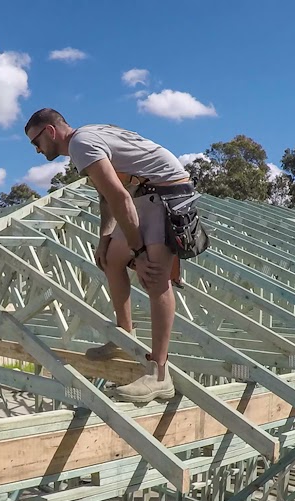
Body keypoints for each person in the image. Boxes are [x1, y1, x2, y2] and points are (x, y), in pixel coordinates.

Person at [23, 108, 191, 403]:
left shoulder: (80, 144)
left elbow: (119, 197)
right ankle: (124, 335)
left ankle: (159, 375)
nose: (36, 150)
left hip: (167, 194)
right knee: (111, 258)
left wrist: (140, 252)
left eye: (36, 142)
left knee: (155, 277)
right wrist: (104, 239)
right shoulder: (86, 139)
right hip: (145, 194)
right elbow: (107, 196)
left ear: (50, 131)